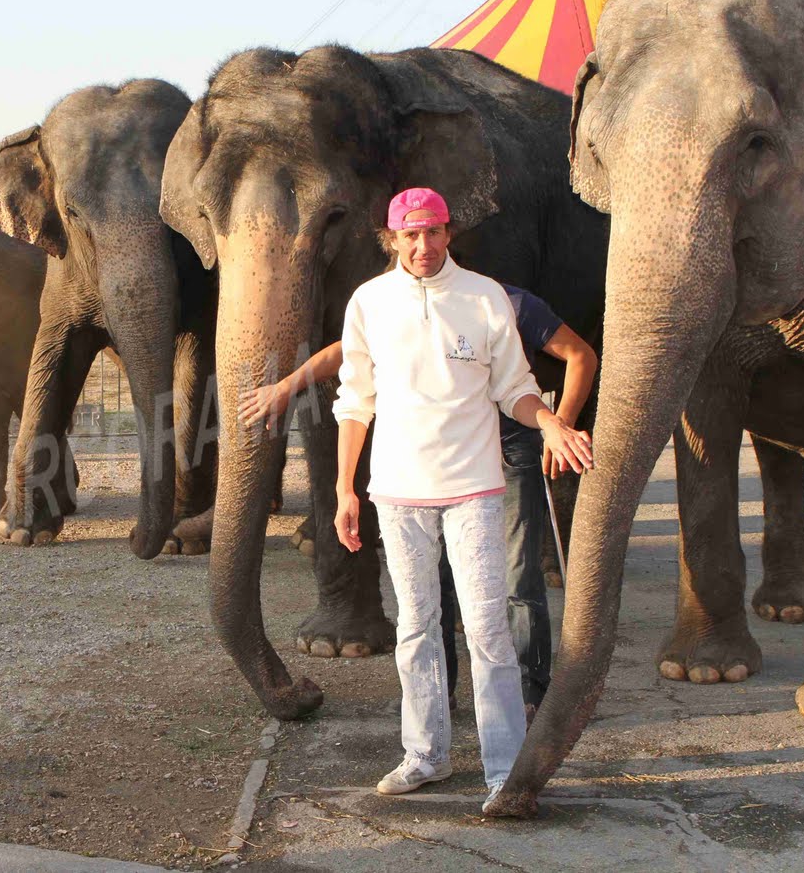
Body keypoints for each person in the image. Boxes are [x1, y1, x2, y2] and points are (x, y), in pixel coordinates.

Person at [313, 187, 593, 815]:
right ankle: (426, 755)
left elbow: (514, 388)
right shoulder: (369, 304)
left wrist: (549, 422)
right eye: (410, 235)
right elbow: (355, 403)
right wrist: (343, 491)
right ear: (390, 239)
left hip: (473, 488)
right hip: (396, 491)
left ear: (449, 233)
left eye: (434, 232)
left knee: (487, 628)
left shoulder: (485, 297)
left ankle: (504, 771)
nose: (423, 246)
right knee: (415, 628)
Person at [239, 256, 597, 723]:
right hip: (436, 464)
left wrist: (559, 423)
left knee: (516, 576)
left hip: (507, 455)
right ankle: (440, 699)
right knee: (437, 585)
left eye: (433, 237)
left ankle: (531, 697)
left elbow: (579, 354)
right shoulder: (391, 304)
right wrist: (288, 386)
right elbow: (348, 353)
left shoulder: (501, 301)